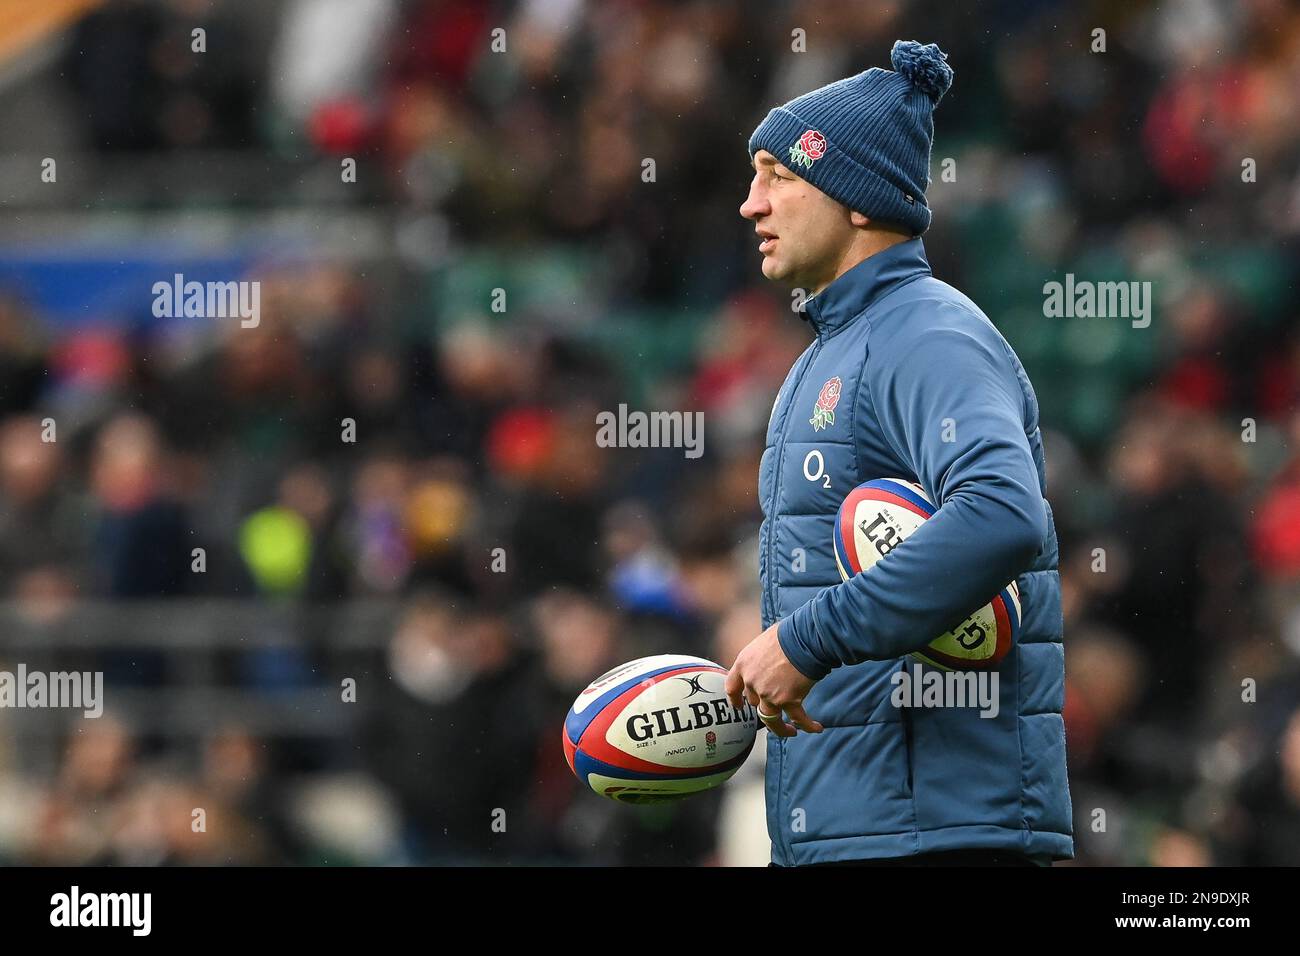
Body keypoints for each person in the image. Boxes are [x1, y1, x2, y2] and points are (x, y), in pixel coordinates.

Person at [724, 40, 1073, 867]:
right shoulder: (832, 350)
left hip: (943, 836)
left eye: (778, 175)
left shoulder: (927, 334)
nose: (751, 204)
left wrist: (805, 643)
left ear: (855, 199)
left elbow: (999, 513)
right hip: (860, 832)